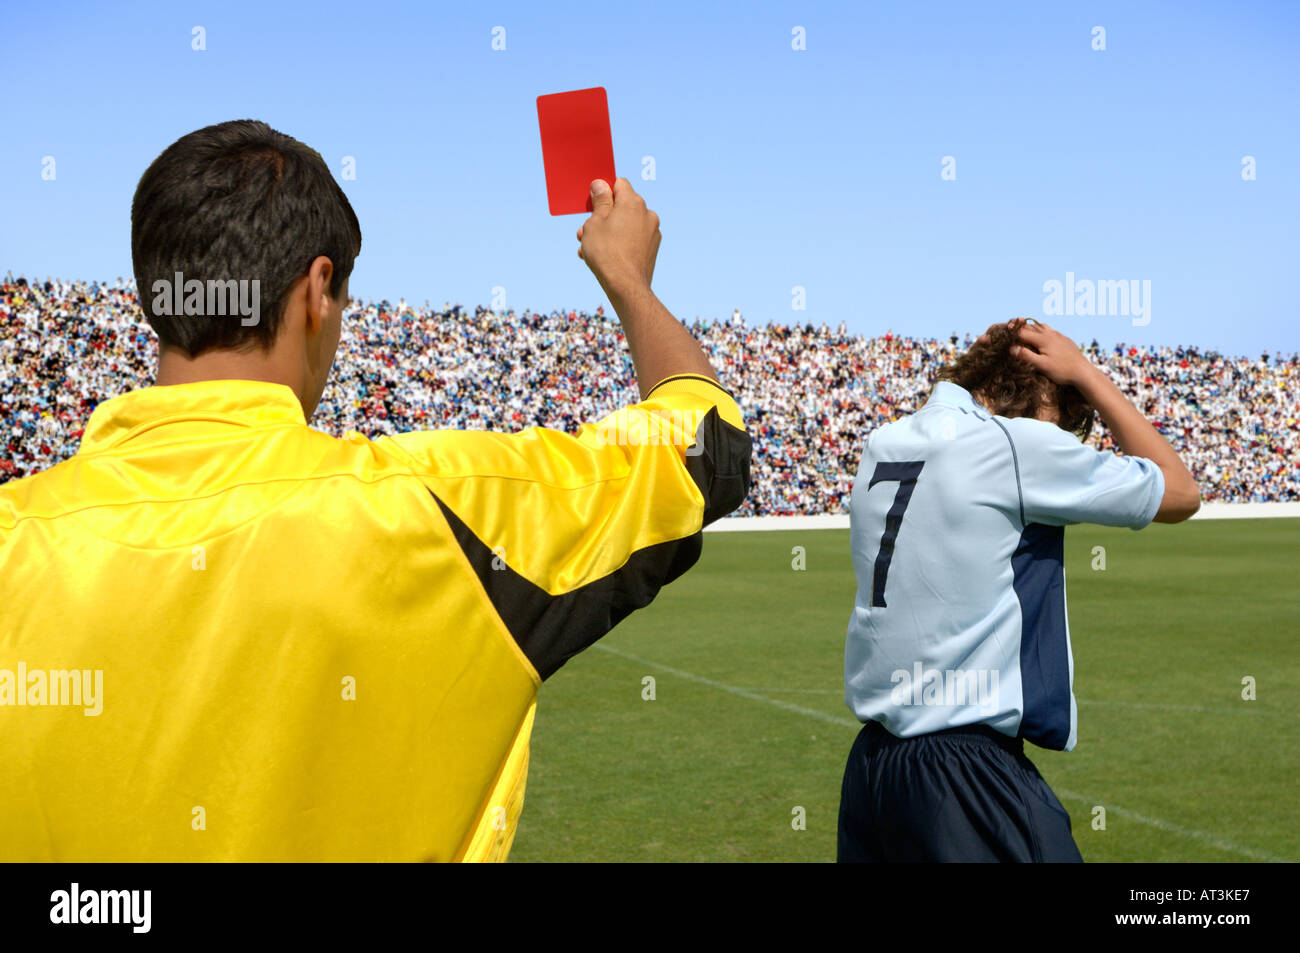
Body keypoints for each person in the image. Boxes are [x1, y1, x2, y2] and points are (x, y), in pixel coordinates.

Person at [0, 120, 751, 861]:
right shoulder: (434, 510)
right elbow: (703, 442)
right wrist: (627, 277)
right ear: (317, 291)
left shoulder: (14, 539)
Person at [837, 318, 1200, 862]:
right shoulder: (1011, 442)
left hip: (874, 769)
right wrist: (1086, 372)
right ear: (1032, 390)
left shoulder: (885, 442)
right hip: (965, 771)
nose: (1057, 439)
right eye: (1058, 422)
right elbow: (1179, 491)